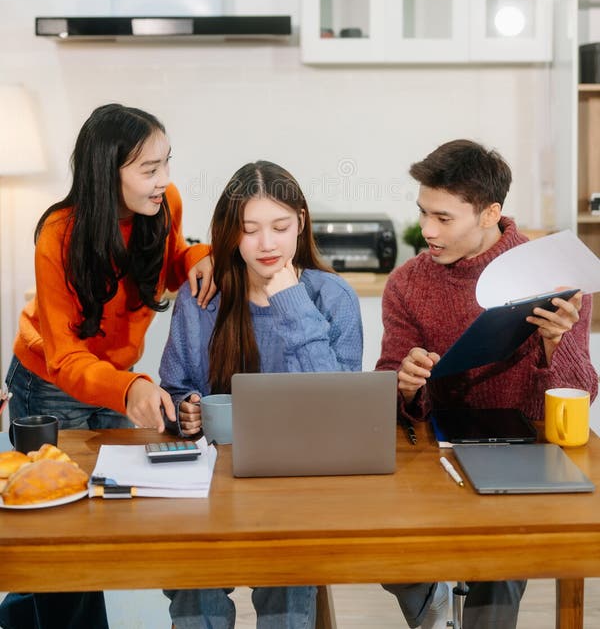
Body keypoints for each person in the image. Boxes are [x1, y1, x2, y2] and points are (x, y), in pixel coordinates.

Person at [1, 103, 215, 629]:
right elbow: (66, 357)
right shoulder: (57, 232)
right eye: (149, 169)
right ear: (106, 171)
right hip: (49, 383)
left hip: (119, 382)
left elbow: (164, 266)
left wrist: (195, 256)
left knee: (119, 518)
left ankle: (20, 616)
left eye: (166, 164)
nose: (164, 180)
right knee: (63, 540)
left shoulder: (164, 205)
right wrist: (128, 390)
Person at [376, 139, 598, 629]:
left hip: (521, 452)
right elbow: (389, 386)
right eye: (422, 213)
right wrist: (406, 381)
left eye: (444, 218)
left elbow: (582, 390)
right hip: (432, 454)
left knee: (499, 566)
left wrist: (553, 345)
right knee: (389, 551)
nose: (427, 230)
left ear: (490, 212)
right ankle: (434, 608)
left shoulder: (551, 274)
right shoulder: (407, 284)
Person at [159, 160, 363, 629]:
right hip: (212, 485)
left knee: (287, 585)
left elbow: (335, 408)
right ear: (230, 234)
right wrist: (186, 410)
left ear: (301, 223)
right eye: (250, 230)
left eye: (280, 226)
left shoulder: (332, 297)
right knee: (194, 589)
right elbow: (176, 385)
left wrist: (289, 298)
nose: (267, 244)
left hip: (298, 486)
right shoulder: (202, 296)